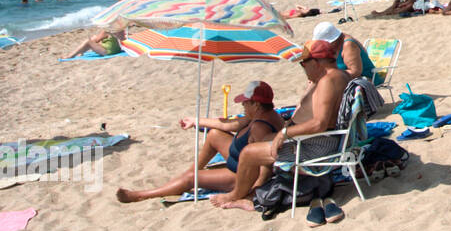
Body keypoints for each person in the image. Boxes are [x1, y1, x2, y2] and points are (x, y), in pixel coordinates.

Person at [211, 42, 347, 210]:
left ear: (316, 62)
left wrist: (284, 133)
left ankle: (236, 195)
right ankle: (256, 188)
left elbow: (319, 123)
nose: (303, 68)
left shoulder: (327, 81)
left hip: (316, 146)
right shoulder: (341, 75)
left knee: (248, 153)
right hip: (325, 140)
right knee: (259, 142)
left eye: (303, 64)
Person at [116, 81, 283, 203]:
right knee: (214, 134)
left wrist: (252, 190)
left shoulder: (261, 127)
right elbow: (225, 124)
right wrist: (196, 121)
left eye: (245, 103)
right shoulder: (259, 115)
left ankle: (141, 195)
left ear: (256, 104)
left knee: (191, 178)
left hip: (240, 175)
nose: (243, 106)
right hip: (237, 158)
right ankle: (188, 176)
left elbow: (265, 165)